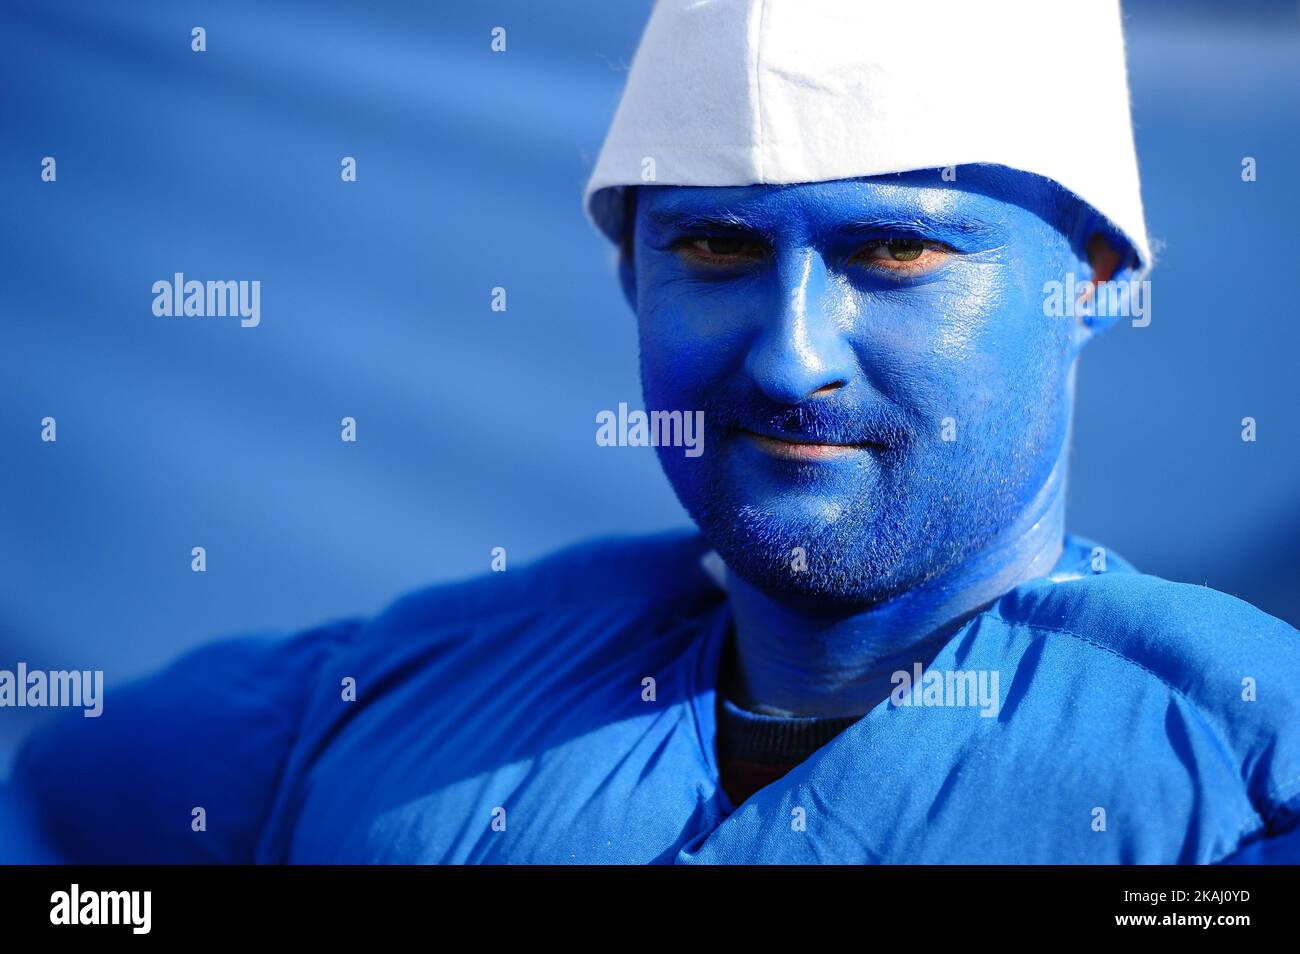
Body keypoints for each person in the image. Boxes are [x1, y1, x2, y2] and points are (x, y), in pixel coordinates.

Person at [4, 0, 1298, 864]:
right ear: (634, 272)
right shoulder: (364, 709)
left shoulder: (1239, 780)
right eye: (718, 246)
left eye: (895, 248)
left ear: (1099, 280)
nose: (790, 352)